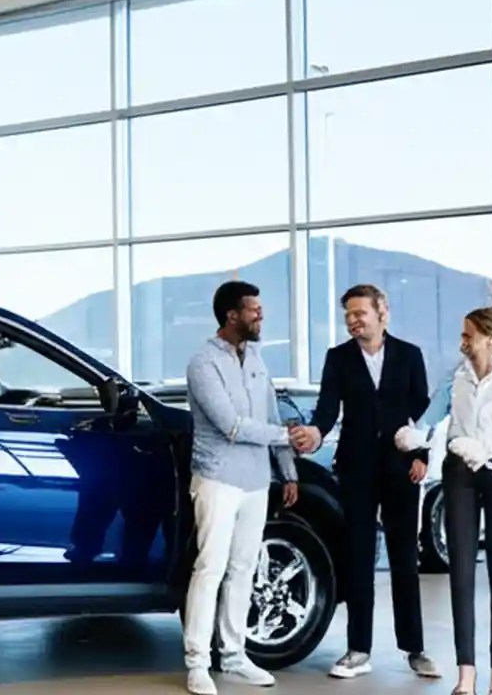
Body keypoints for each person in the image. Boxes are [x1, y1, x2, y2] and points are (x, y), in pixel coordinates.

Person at [289, 284, 440, 680]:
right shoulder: (338, 358)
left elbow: (420, 411)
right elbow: (326, 409)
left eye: (360, 313)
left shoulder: (409, 355)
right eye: (348, 316)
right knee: (358, 559)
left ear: (381, 312)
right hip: (356, 469)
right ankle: (358, 650)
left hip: (401, 469)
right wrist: (316, 433)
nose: (353, 321)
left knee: (405, 559)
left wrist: (421, 455)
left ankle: (415, 648)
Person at [393, 306, 492, 695]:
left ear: (491, 339)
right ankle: (466, 674)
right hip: (459, 473)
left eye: (468, 336)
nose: (462, 343)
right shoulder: (454, 380)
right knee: (460, 570)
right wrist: (413, 437)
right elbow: (426, 422)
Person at [182, 280, 299, 695]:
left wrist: (288, 471)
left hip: (255, 482)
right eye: (254, 309)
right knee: (209, 569)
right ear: (232, 315)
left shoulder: (257, 359)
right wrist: (287, 439)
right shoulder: (202, 363)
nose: (261, 315)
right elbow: (231, 425)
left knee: (244, 570)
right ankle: (197, 663)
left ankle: (233, 656)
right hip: (217, 479)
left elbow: (271, 413)